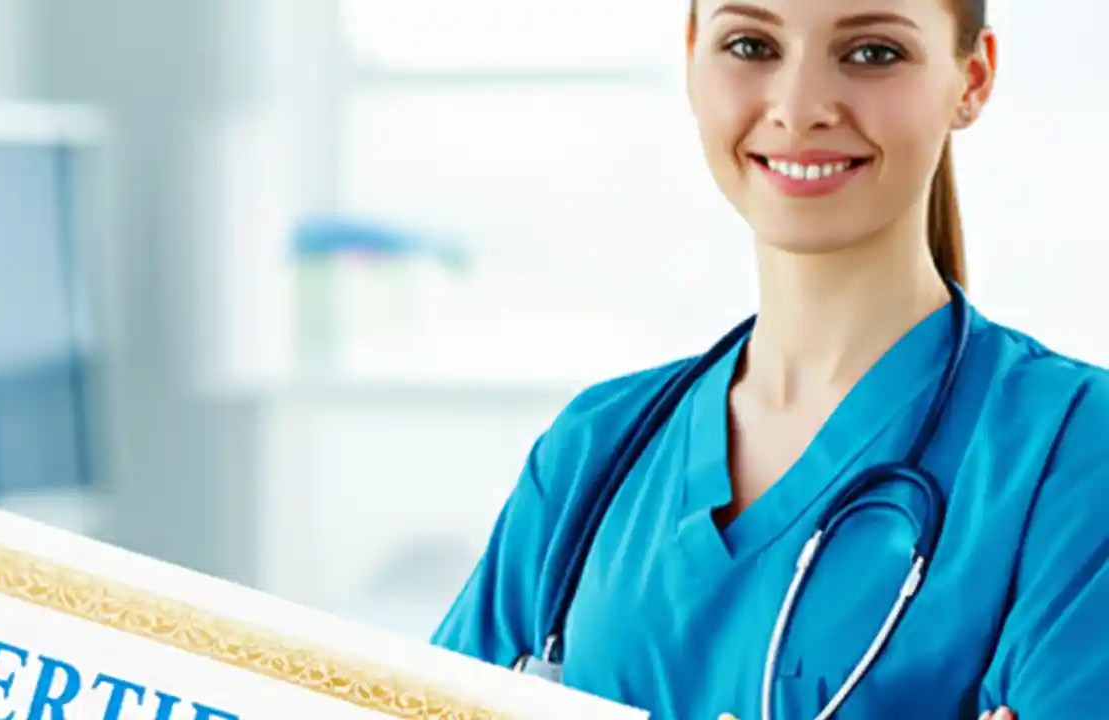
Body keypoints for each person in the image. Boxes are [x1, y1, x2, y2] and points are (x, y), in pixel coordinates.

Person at [429, 0, 1109, 718]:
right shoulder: (589, 455)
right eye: (751, 45)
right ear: (693, 59)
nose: (800, 106)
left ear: (971, 79)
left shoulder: (1074, 453)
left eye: (873, 52)